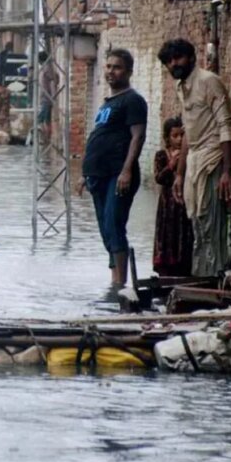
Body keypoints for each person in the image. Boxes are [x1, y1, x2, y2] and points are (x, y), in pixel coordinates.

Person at [158, 38, 231, 278]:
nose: (174, 64)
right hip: (194, 162)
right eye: (169, 61)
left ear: (191, 57)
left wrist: (227, 172)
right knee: (198, 226)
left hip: (213, 159)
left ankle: (217, 278)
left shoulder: (208, 81)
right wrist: (179, 174)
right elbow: (189, 135)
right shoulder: (182, 87)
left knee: (212, 224)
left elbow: (226, 126)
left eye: (178, 58)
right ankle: (202, 278)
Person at [78, 48, 148, 286]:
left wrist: (127, 170)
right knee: (105, 230)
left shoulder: (133, 101)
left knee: (114, 224)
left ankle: (121, 284)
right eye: (108, 67)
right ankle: (114, 281)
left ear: (128, 71)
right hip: (98, 174)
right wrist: (84, 174)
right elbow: (99, 137)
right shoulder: (108, 103)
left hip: (118, 175)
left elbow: (137, 137)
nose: (111, 71)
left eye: (116, 67)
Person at [153, 117, 194, 276]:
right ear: (167, 138)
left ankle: (183, 268)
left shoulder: (189, 155)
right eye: (174, 136)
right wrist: (171, 165)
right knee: (167, 236)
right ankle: (166, 270)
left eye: (181, 135)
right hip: (167, 207)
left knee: (184, 234)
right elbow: (159, 178)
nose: (178, 139)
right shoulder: (161, 155)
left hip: (183, 203)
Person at [37, 51, 59, 143]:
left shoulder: (47, 68)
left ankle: (46, 139)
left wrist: (52, 95)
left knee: (42, 119)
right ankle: (46, 139)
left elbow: (55, 78)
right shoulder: (45, 68)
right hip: (45, 98)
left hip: (47, 99)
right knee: (45, 120)